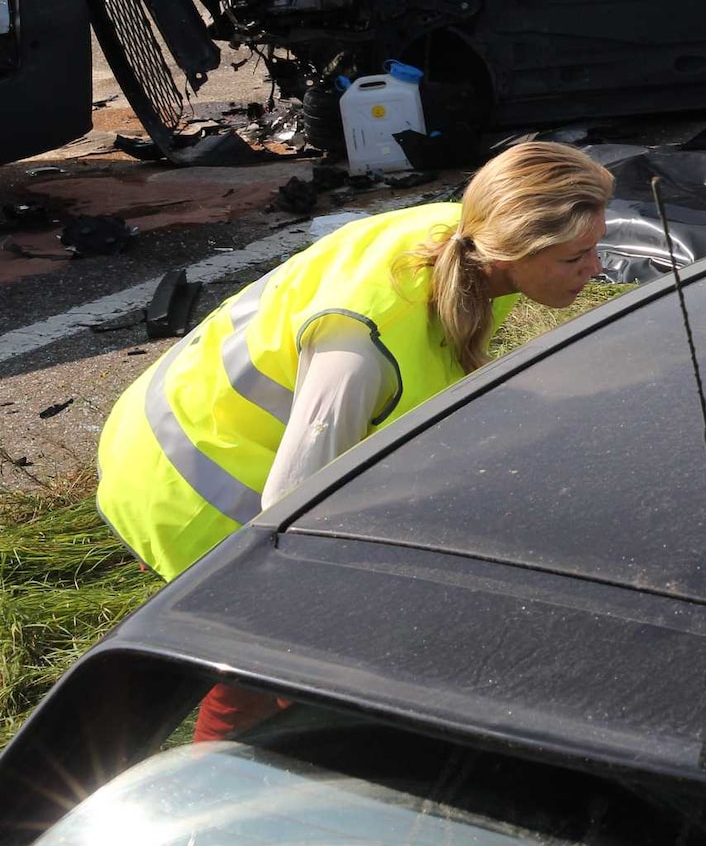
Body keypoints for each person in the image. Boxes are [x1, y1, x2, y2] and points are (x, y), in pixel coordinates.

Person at [95, 141, 613, 734]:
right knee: (269, 667)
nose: (595, 270)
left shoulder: (460, 240)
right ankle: (220, 787)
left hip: (215, 432)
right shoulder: (364, 346)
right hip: (193, 485)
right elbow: (290, 511)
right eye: (577, 257)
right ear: (513, 250)